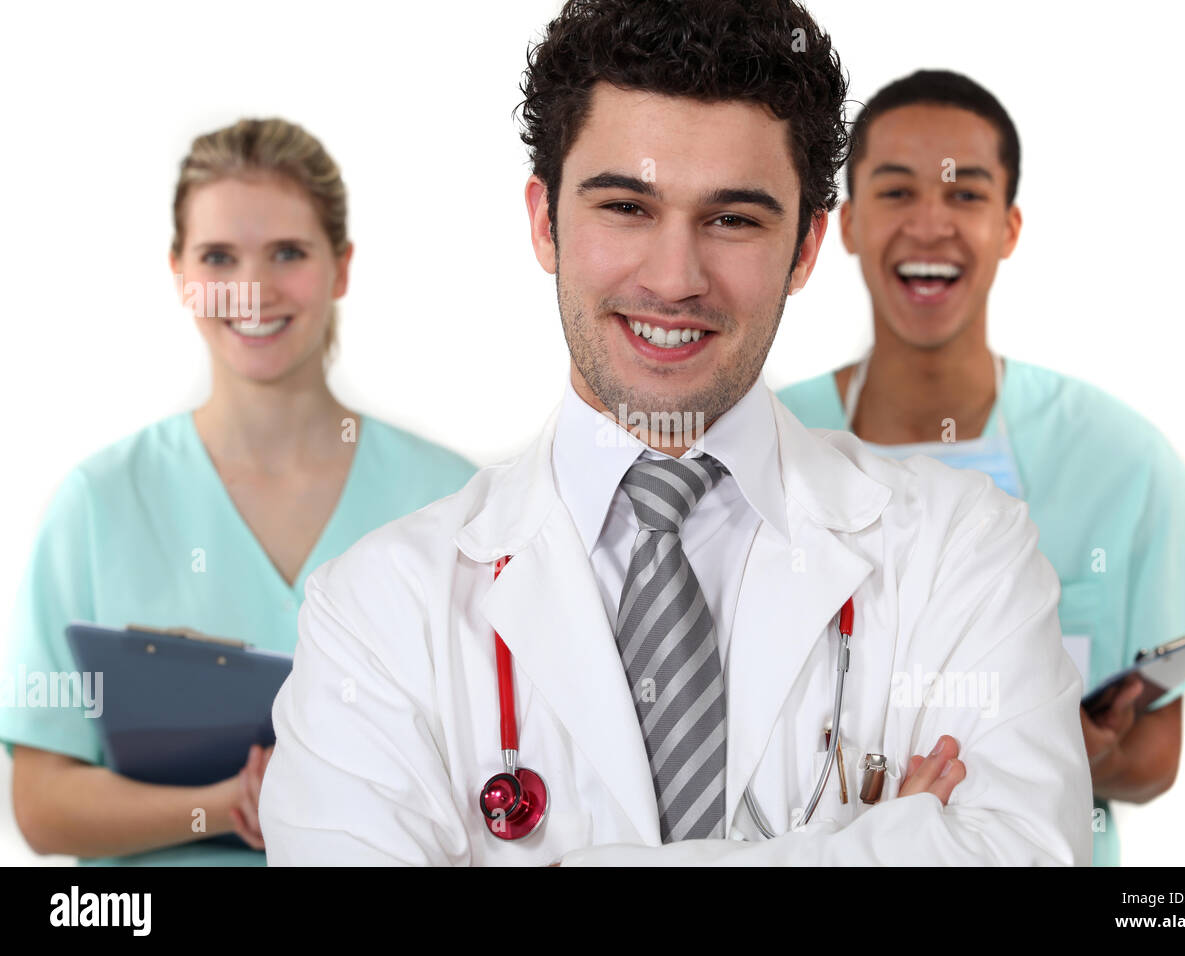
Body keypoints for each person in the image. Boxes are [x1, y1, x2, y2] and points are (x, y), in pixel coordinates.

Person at [259, 0, 1092, 866]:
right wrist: (882, 846)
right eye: (626, 206)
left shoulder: (960, 552)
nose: (674, 278)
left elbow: (1024, 854)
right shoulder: (375, 614)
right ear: (546, 222)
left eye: (733, 220)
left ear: (806, 245)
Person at [776, 70, 1185, 866]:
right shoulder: (769, 439)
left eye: (965, 196)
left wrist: (1066, 745)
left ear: (1009, 226)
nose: (930, 225)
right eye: (897, 194)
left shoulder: (1119, 460)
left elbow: (1157, 760)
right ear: (848, 225)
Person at [1, 117, 477, 866]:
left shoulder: (453, 500)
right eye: (219, 257)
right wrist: (221, 806)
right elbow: (42, 802)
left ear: (340, 267)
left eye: (287, 253)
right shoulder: (98, 504)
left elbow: (515, 762)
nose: (251, 291)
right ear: (179, 274)